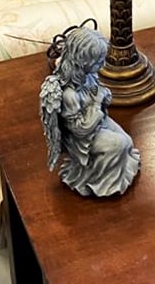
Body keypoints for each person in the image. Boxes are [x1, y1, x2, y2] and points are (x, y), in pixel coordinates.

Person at [40, 25, 140, 197]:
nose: (102, 64)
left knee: (128, 141)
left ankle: (114, 176)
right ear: (83, 61)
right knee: (118, 145)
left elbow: (98, 92)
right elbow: (80, 129)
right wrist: (97, 104)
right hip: (83, 138)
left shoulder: (89, 76)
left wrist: (103, 97)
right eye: (98, 61)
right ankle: (97, 182)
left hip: (96, 121)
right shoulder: (69, 94)